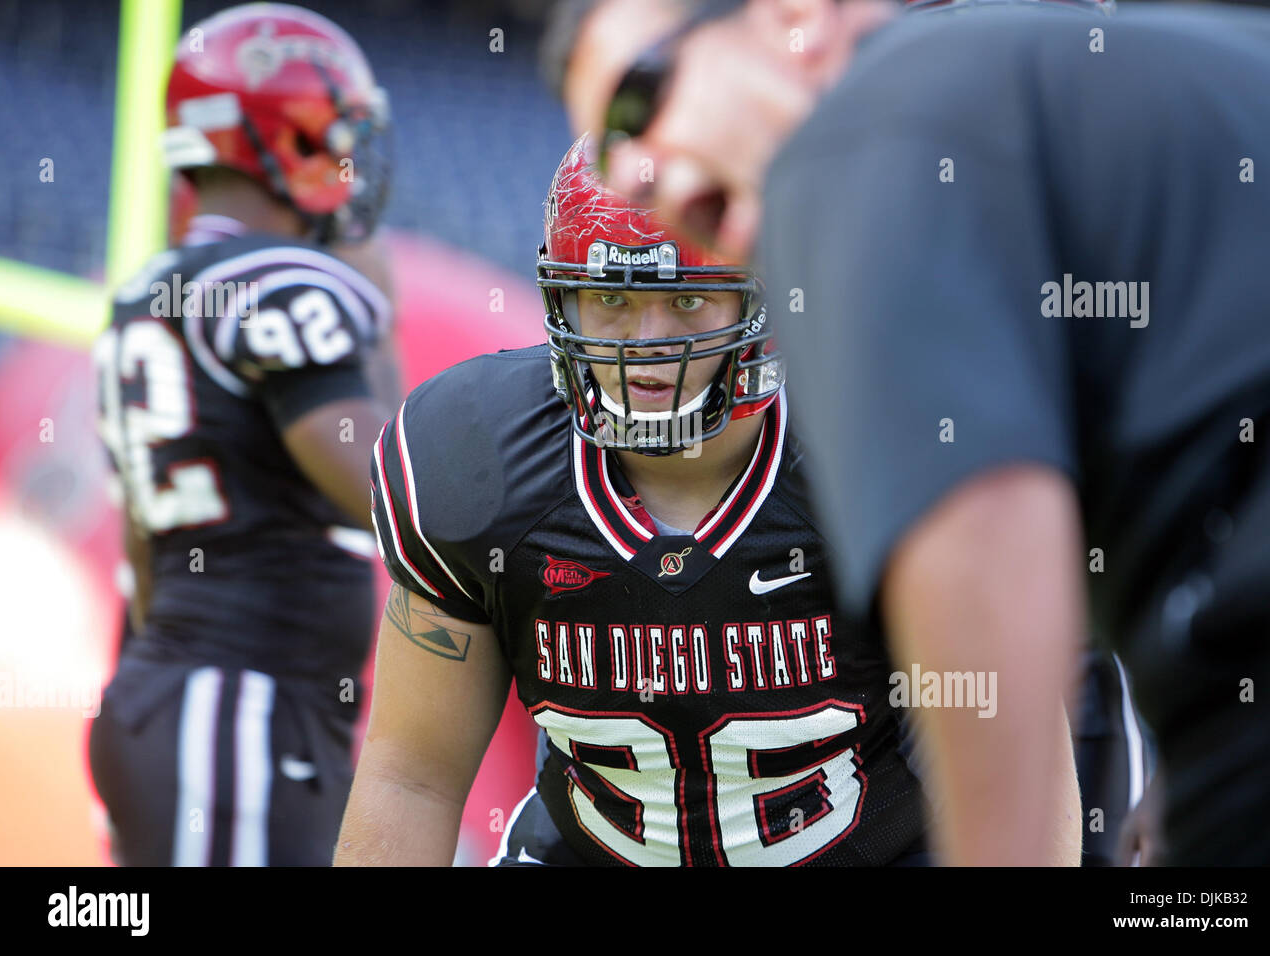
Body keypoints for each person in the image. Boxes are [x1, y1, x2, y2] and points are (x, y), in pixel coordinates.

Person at [551, 0, 1270, 864]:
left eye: (638, 103)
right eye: (609, 150)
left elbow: (985, 524)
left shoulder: (862, 131)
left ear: (794, 18)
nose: (637, 177)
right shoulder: (1123, 74)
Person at [337, 134, 1077, 866]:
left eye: (688, 299)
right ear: (561, 297)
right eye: (609, 299)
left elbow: (1018, 753)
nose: (645, 344)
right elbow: (413, 775)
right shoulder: (476, 455)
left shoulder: (888, 447)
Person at [89, 3, 398, 866]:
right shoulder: (279, 279)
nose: (348, 156)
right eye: (336, 131)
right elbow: (387, 489)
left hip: (194, 697)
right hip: (237, 703)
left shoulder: (151, 288)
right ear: (288, 138)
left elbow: (150, 554)